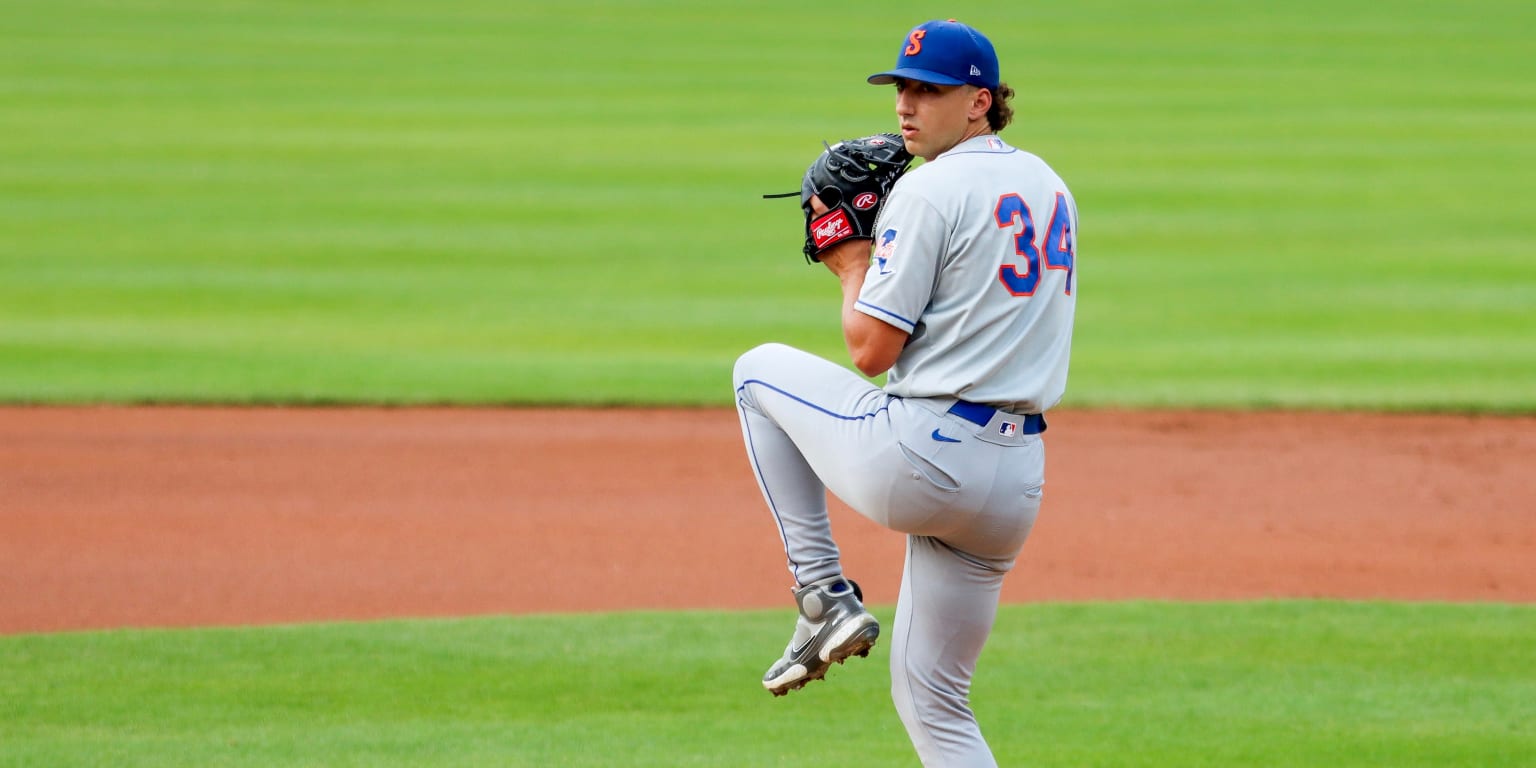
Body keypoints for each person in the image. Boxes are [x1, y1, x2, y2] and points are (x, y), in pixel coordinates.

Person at [732, 18, 1078, 767]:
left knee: (757, 373)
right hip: (1014, 484)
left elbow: (869, 349)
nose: (906, 105)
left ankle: (821, 594)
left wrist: (855, 260)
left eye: (930, 90)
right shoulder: (1051, 185)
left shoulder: (929, 192)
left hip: (923, 459)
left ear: (979, 101)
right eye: (902, 89)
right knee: (935, 702)